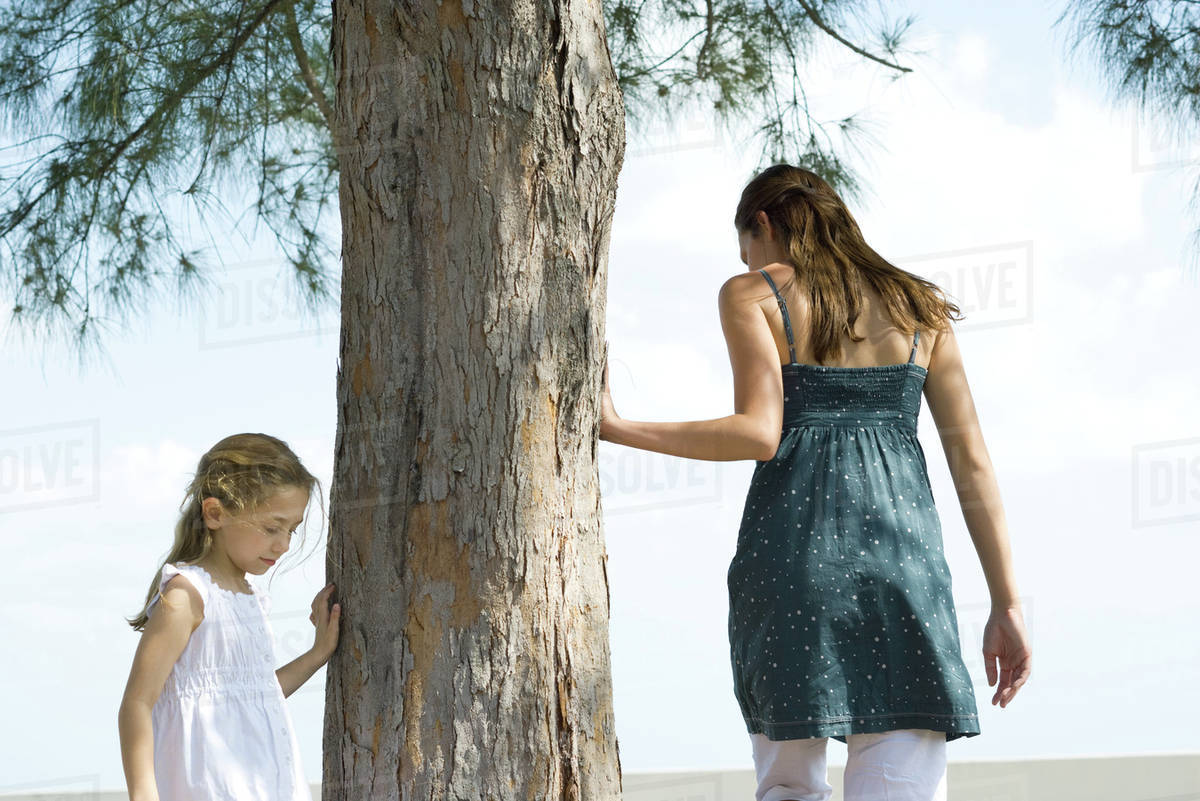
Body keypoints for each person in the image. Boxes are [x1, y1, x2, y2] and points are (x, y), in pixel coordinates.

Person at [599, 163, 1031, 801]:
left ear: (763, 224)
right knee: (902, 787)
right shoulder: (921, 308)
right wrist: (1007, 603)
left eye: (746, 249)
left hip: (793, 568)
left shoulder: (752, 295)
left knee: (789, 786)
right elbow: (972, 463)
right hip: (904, 576)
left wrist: (619, 426)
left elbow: (758, 433)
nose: (749, 264)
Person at [118, 433, 341, 801]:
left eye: (291, 530)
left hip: (267, 785)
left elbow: (257, 696)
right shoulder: (188, 595)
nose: (284, 545)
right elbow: (137, 703)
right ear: (216, 514)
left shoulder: (250, 599)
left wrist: (318, 654)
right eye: (272, 527)